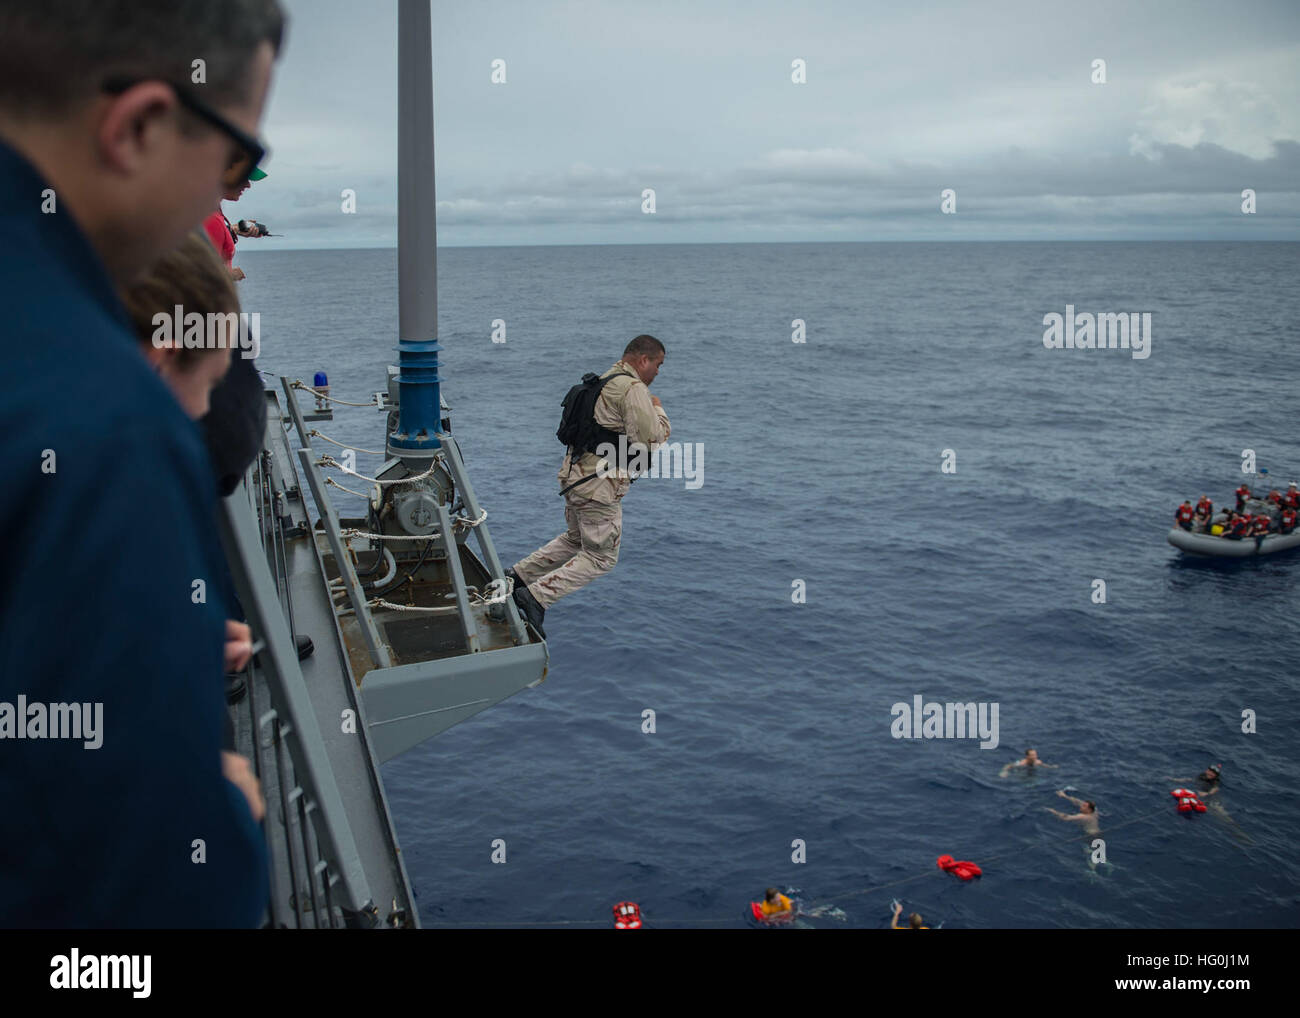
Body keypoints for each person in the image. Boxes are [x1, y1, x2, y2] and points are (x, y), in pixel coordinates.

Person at [0, 0, 284, 928]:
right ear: (137, 126)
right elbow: (142, 902)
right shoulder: (108, 425)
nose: (230, 190)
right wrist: (220, 811)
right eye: (236, 153)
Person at [510, 335, 670, 637]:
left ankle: (517, 577)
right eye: (658, 364)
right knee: (601, 558)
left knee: (575, 540)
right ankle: (534, 596)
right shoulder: (632, 388)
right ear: (643, 360)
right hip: (599, 487)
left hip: (575, 479)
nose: (658, 373)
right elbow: (650, 441)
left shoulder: (600, 382)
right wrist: (658, 410)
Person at [204, 164, 266, 281]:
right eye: (244, 177)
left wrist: (233, 229)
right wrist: (229, 275)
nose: (248, 185)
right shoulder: (210, 218)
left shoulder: (209, 211)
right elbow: (202, 277)